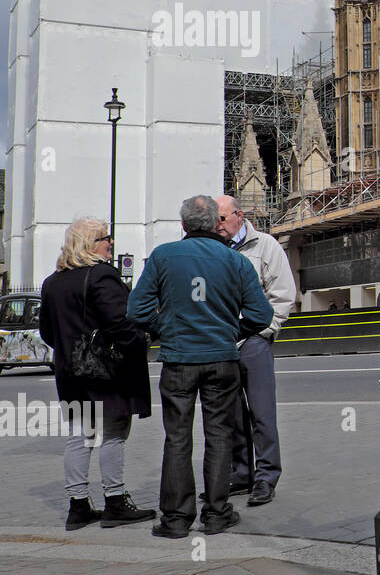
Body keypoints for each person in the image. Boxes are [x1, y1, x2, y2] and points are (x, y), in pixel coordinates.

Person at [127, 195, 273, 539]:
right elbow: (261, 315)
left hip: (179, 358)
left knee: (177, 438)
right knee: (220, 435)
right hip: (222, 358)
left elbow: (137, 310)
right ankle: (217, 513)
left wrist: (166, 329)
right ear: (214, 224)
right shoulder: (235, 260)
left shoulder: (164, 256)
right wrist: (230, 331)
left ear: (183, 225)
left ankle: (177, 518)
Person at [39, 218, 156, 530]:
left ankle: (78, 506)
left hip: (69, 371)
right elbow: (119, 322)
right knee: (114, 434)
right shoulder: (102, 274)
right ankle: (115, 501)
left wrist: (72, 351)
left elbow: (47, 332)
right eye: (106, 238)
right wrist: (140, 342)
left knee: (80, 435)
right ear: (91, 243)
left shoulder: (53, 282)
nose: (111, 243)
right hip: (107, 371)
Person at [216, 194, 295, 507]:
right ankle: (241, 473)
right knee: (232, 414)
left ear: (238, 215)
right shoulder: (212, 248)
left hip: (254, 340)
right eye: (213, 219)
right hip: (222, 342)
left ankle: (266, 476)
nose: (217, 225)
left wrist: (264, 332)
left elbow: (283, 295)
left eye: (222, 218)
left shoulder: (265, 245)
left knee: (262, 413)